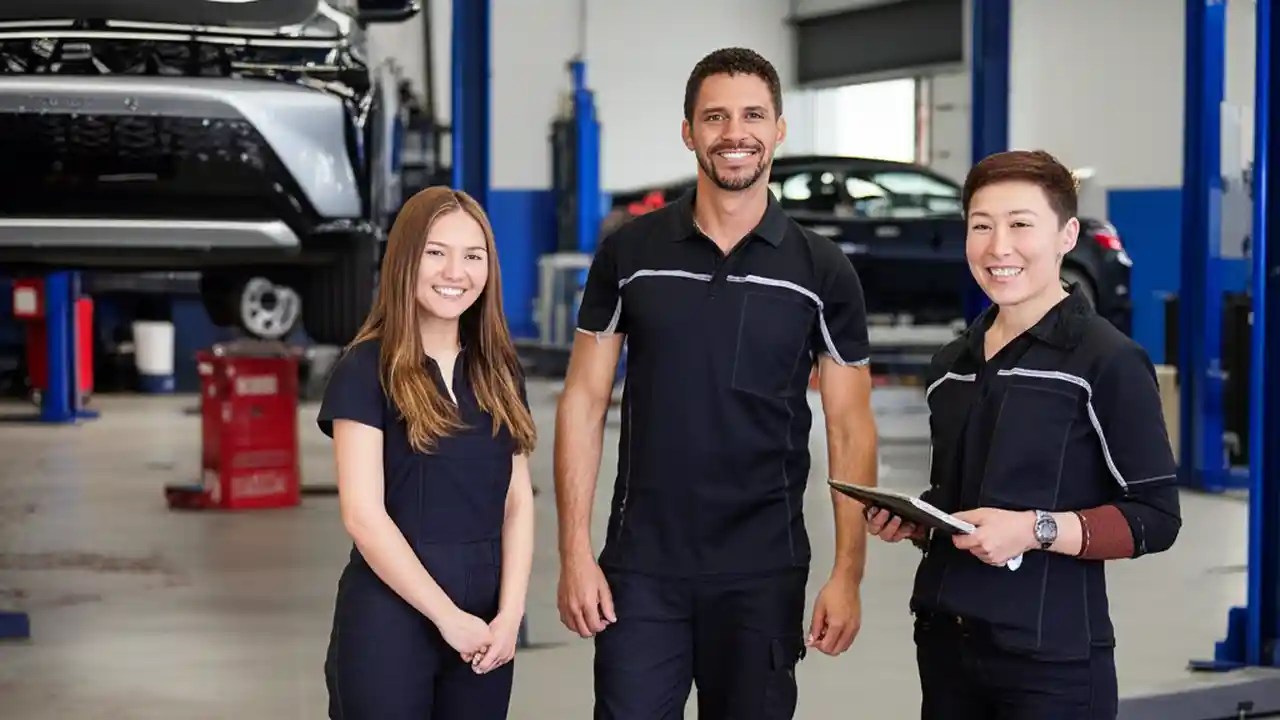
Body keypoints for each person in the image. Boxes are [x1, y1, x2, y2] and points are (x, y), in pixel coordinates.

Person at [554, 47, 879, 719]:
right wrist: (575, 552)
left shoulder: (821, 270)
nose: (735, 133)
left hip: (764, 569)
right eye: (715, 117)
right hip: (642, 567)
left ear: (779, 130)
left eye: (753, 115)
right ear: (688, 131)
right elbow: (583, 402)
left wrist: (848, 573)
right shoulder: (630, 253)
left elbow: (850, 427)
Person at [867, 149, 1182, 719]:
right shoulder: (951, 367)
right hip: (945, 646)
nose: (998, 247)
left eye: (1020, 225)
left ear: (1066, 236)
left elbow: (1156, 517)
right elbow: (967, 497)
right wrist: (920, 520)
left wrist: (1036, 529)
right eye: (981, 226)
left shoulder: (1106, 361)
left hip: (1051, 664)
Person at [316, 186, 537, 719]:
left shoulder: (498, 372)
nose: (455, 272)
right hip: (390, 619)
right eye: (436, 252)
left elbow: (517, 503)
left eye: (473, 256)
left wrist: (511, 614)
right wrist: (447, 617)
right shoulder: (365, 370)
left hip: (485, 623)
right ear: (405, 260)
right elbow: (363, 516)